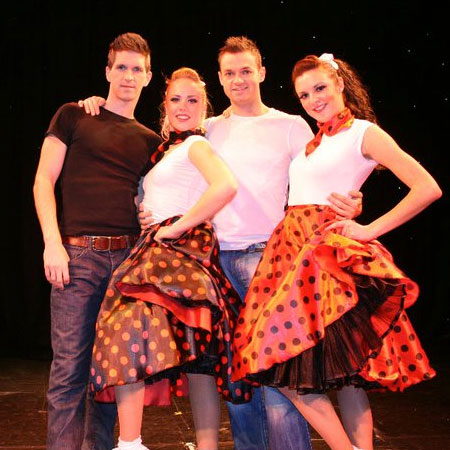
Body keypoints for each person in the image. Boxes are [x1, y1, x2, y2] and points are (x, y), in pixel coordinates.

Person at [78, 36, 363, 450]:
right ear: (220, 80)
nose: (238, 80)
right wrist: (97, 105)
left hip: (270, 258)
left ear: (261, 73)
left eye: (246, 71)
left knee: (279, 373)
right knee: (236, 379)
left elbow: (321, 171)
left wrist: (351, 199)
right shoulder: (207, 129)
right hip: (216, 261)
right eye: (229, 73)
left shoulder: (289, 125)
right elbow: (173, 177)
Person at [232, 53, 442, 450]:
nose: (313, 99)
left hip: (326, 255)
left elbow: (427, 186)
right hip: (291, 253)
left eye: (320, 88)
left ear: (340, 84)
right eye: (304, 94)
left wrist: (368, 228)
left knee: (292, 361)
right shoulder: (314, 141)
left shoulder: (362, 131)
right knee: (337, 371)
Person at [88, 67, 245, 450]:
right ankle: (131, 442)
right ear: (165, 104)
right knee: (192, 355)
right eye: (176, 99)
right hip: (157, 248)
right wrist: (146, 209)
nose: (183, 107)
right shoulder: (168, 149)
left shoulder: (196, 145)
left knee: (136, 336)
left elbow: (225, 186)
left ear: (204, 106)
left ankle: (131, 442)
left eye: (193, 100)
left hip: (177, 251)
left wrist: (177, 226)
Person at [33, 32, 161, 450]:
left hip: (125, 261)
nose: (128, 75)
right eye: (120, 67)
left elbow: (154, 195)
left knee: (111, 371)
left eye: (136, 69)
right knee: (70, 371)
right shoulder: (75, 115)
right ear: (107, 72)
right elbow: (43, 180)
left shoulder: (149, 140)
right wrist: (52, 242)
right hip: (77, 254)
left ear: (147, 77)